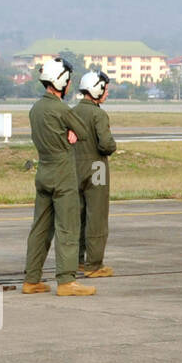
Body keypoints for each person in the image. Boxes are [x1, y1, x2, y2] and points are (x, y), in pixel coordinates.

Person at [23, 58, 96, 297]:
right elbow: (83, 132)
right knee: (68, 228)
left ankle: (31, 279)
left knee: (40, 228)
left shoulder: (35, 109)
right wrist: (70, 132)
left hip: (43, 171)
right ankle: (66, 281)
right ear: (61, 80)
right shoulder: (61, 109)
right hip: (63, 174)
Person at [73, 70, 117, 278]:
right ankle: (94, 264)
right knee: (96, 217)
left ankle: (77, 261)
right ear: (96, 89)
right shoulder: (98, 114)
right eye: (105, 89)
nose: (107, 93)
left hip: (73, 169)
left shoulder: (71, 112)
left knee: (77, 217)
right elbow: (106, 145)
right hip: (96, 170)